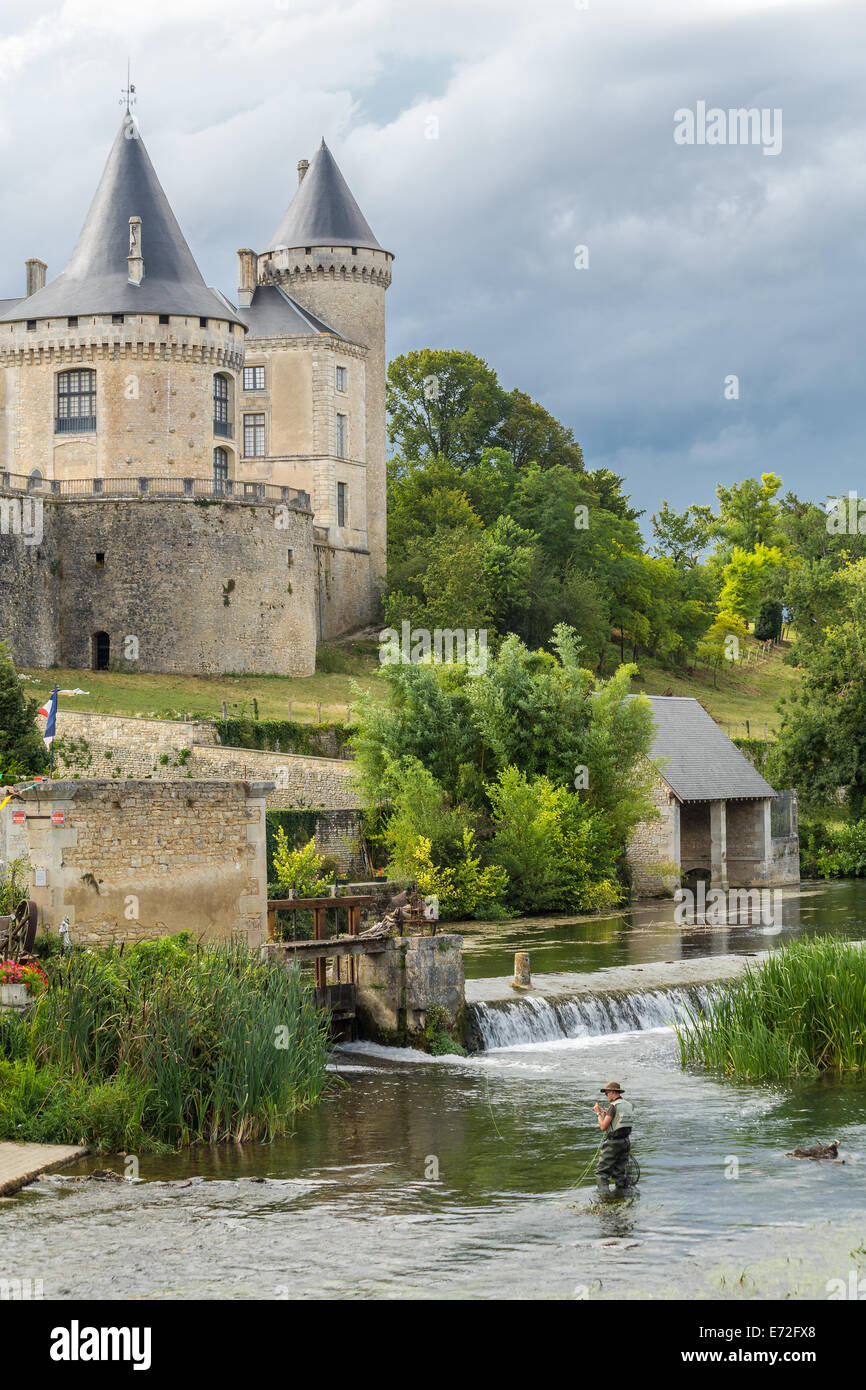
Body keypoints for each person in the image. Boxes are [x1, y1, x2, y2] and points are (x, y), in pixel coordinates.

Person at [594, 1081, 635, 1197]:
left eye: (606, 1093)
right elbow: (620, 1121)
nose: (606, 1096)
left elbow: (603, 1127)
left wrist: (598, 1113)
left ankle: (604, 1199)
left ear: (612, 1092)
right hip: (625, 1142)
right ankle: (622, 1195)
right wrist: (607, 1115)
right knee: (620, 1171)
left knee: (601, 1172)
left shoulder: (613, 1106)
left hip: (613, 1144)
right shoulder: (628, 1104)